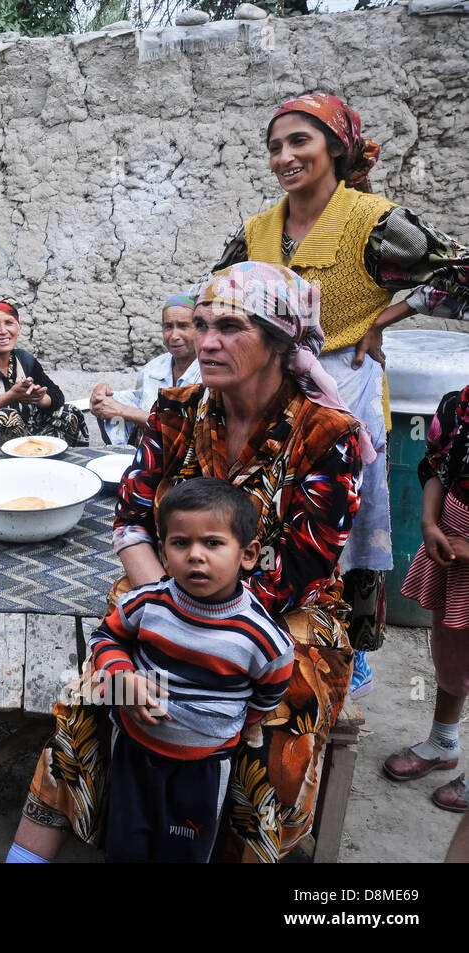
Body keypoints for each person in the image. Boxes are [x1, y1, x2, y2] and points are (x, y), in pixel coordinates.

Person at [11, 262, 368, 863]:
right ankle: (40, 851)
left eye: (230, 326)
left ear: (280, 340)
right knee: (93, 699)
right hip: (160, 594)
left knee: (276, 721)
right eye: (201, 324)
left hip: (280, 619)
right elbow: (130, 517)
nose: (205, 341)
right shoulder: (175, 409)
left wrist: (192, 633)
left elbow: (300, 568)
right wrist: (162, 611)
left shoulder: (329, 433)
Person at [214, 92, 469, 695]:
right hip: (268, 387)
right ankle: (268, 631)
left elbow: (459, 272)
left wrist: (384, 319)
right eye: (275, 147)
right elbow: (218, 296)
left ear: (336, 147)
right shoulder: (260, 230)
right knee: (271, 509)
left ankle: (345, 651)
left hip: (343, 384)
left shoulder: (373, 222)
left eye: (299, 141)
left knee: (345, 519)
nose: (284, 157)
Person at [84, 478, 295, 863]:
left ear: (248, 555)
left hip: (203, 767)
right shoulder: (148, 603)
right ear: (163, 553)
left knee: (184, 851)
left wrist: (239, 721)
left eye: (213, 543)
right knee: (126, 844)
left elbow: (271, 688)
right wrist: (120, 676)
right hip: (133, 750)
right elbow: (105, 637)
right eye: (181, 543)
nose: (195, 555)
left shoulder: (261, 637)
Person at [384, 384, 469, 813]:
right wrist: (428, 521)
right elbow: (436, 466)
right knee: (451, 647)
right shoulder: (458, 405)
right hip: (452, 540)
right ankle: (442, 742)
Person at [0, 300, 89, 449]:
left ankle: (58, 466)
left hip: (25, 437)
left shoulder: (25, 360)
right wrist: (10, 397)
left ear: (18, 329)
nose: (3, 331)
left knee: (68, 413)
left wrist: (39, 398)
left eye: (9, 323)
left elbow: (57, 396)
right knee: (6, 418)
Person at [89, 293, 201, 446]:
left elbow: (189, 427)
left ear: (200, 329)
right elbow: (138, 401)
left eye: (183, 326)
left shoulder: (209, 371)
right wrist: (103, 394)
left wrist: (122, 410)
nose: (174, 335)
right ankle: (122, 453)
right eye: (168, 327)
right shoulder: (153, 369)